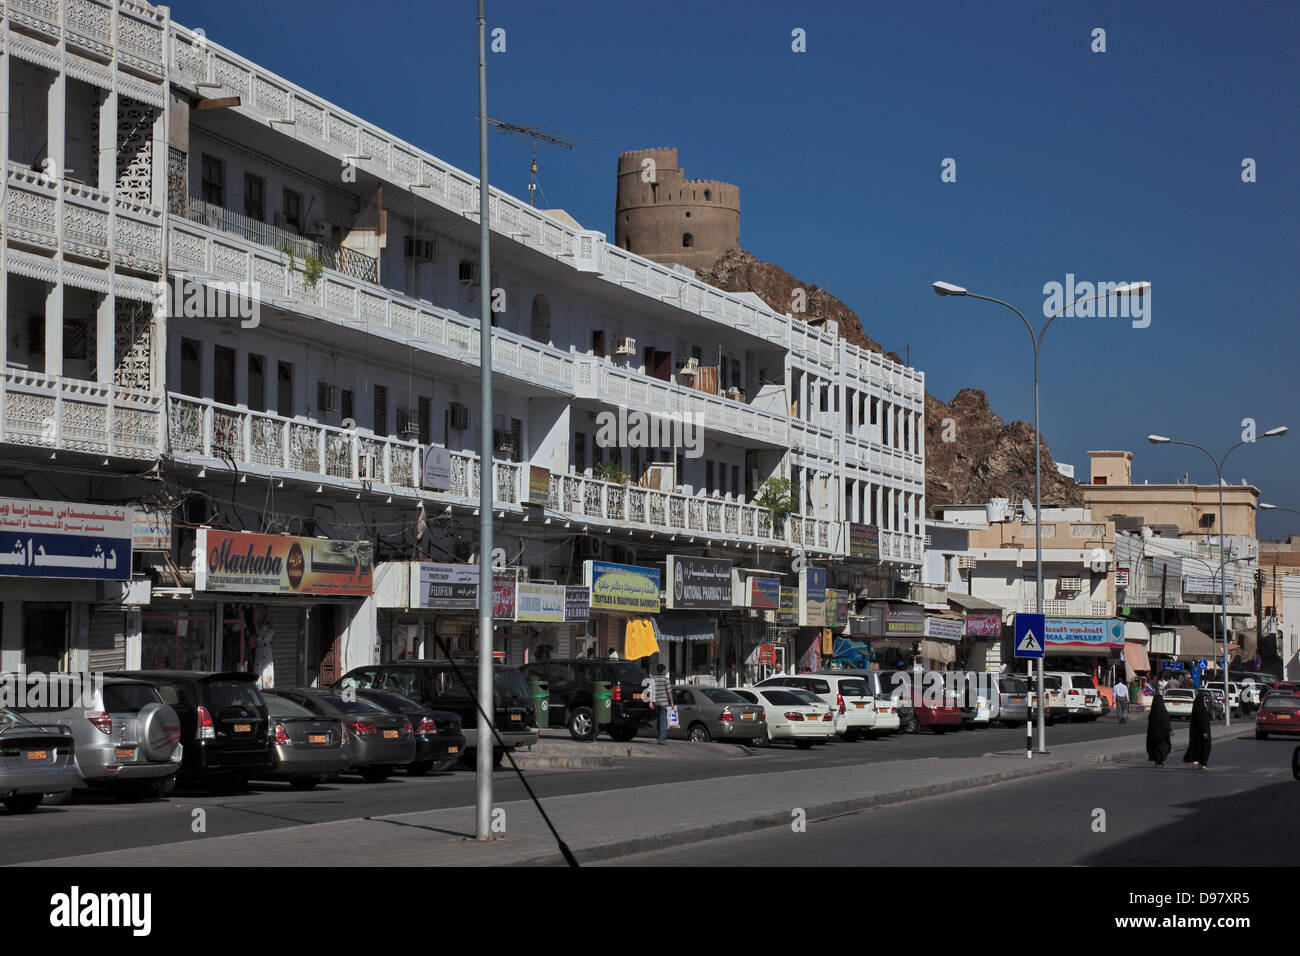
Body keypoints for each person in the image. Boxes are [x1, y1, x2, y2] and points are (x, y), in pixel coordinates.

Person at [1183, 690, 1212, 769]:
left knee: (1198, 747)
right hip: (1202, 733)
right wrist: (1204, 731)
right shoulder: (1200, 709)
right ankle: (1202, 763)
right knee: (1205, 747)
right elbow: (1201, 721)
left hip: (1197, 733)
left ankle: (1197, 762)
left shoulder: (1197, 708)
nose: (1204, 700)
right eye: (1204, 699)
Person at [647, 664, 673, 745]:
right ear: (664, 670)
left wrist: (650, 702)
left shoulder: (653, 679)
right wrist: (671, 702)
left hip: (656, 703)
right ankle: (661, 739)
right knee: (663, 721)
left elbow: (650, 691)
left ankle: (659, 736)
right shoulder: (666, 679)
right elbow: (669, 692)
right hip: (664, 703)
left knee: (659, 720)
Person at [1146, 692, 1172, 768]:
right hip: (1163, 735)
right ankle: (1160, 762)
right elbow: (1166, 722)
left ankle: (1158, 762)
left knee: (1155, 748)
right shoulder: (1163, 711)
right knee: (1163, 748)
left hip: (1154, 735)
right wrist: (1168, 730)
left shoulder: (1152, 712)